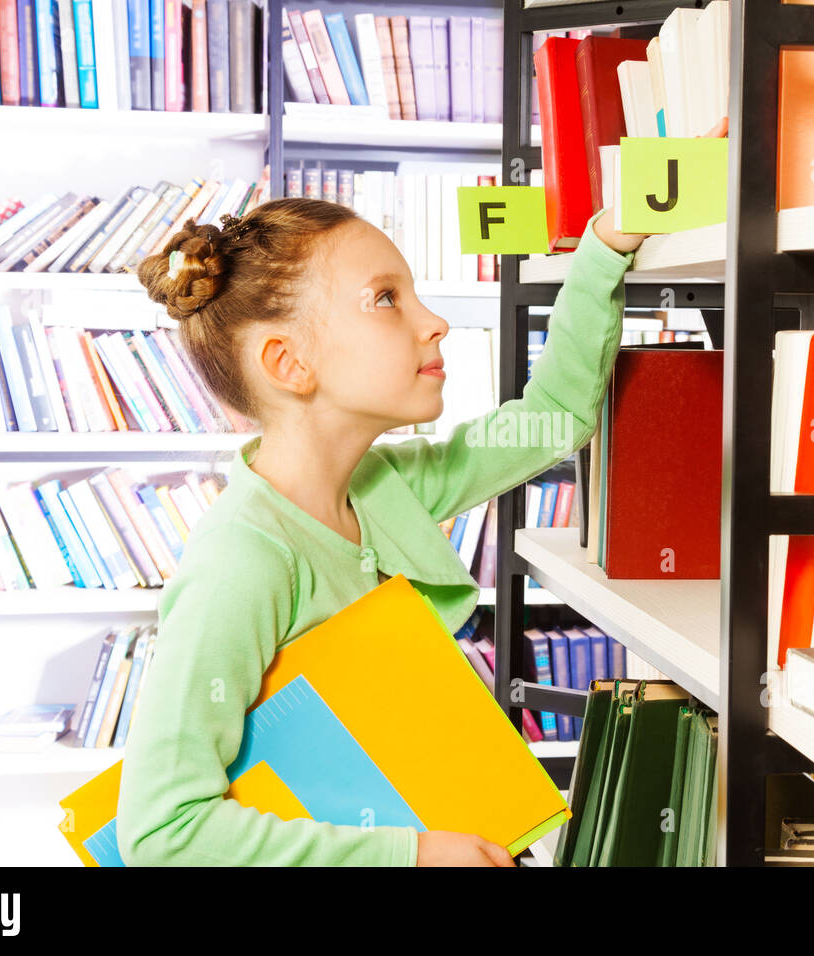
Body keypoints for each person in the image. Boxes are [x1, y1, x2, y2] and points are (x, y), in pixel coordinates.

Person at [114, 192, 645, 866]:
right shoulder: (240, 562)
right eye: (386, 299)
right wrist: (416, 856)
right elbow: (163, 835)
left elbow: (553, 420)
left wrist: (604, 247)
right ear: (289, 364)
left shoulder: (388, 487)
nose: (436, 323)